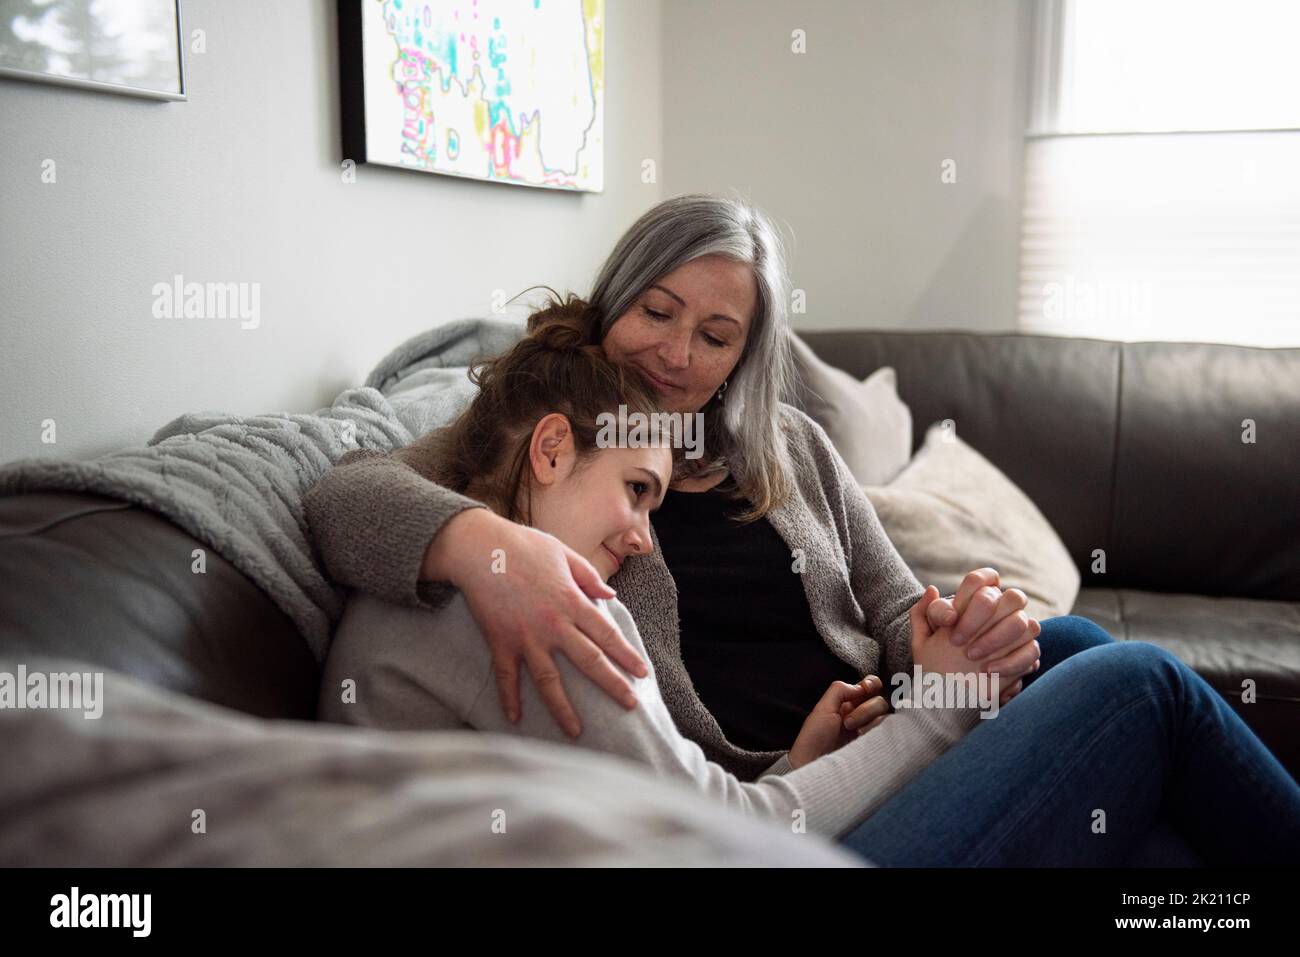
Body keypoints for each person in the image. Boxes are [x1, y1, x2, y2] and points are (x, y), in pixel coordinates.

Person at [305, 193, 1300, 863]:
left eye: (716, 336)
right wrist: (490, 546)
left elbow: (896, 606)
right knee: (1137, 686)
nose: (673, 354)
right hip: (791, 815)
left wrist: (952, 642)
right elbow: (343, 496)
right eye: (656, 310)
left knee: (1069, 650)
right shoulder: (537, 448)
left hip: (828, 760)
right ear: (616, 297)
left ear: (746, 356)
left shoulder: (787, 447)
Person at [319, 303, 1001, 839]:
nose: (647, 539)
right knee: (1107, 682)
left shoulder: (430, 574)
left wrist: (803, 761)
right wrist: (943, 712)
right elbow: (729, 841)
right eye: (637, 490)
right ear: (551, 449)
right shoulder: (531, 603)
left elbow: (676, 813)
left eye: (716, 334)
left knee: (1072, 655)